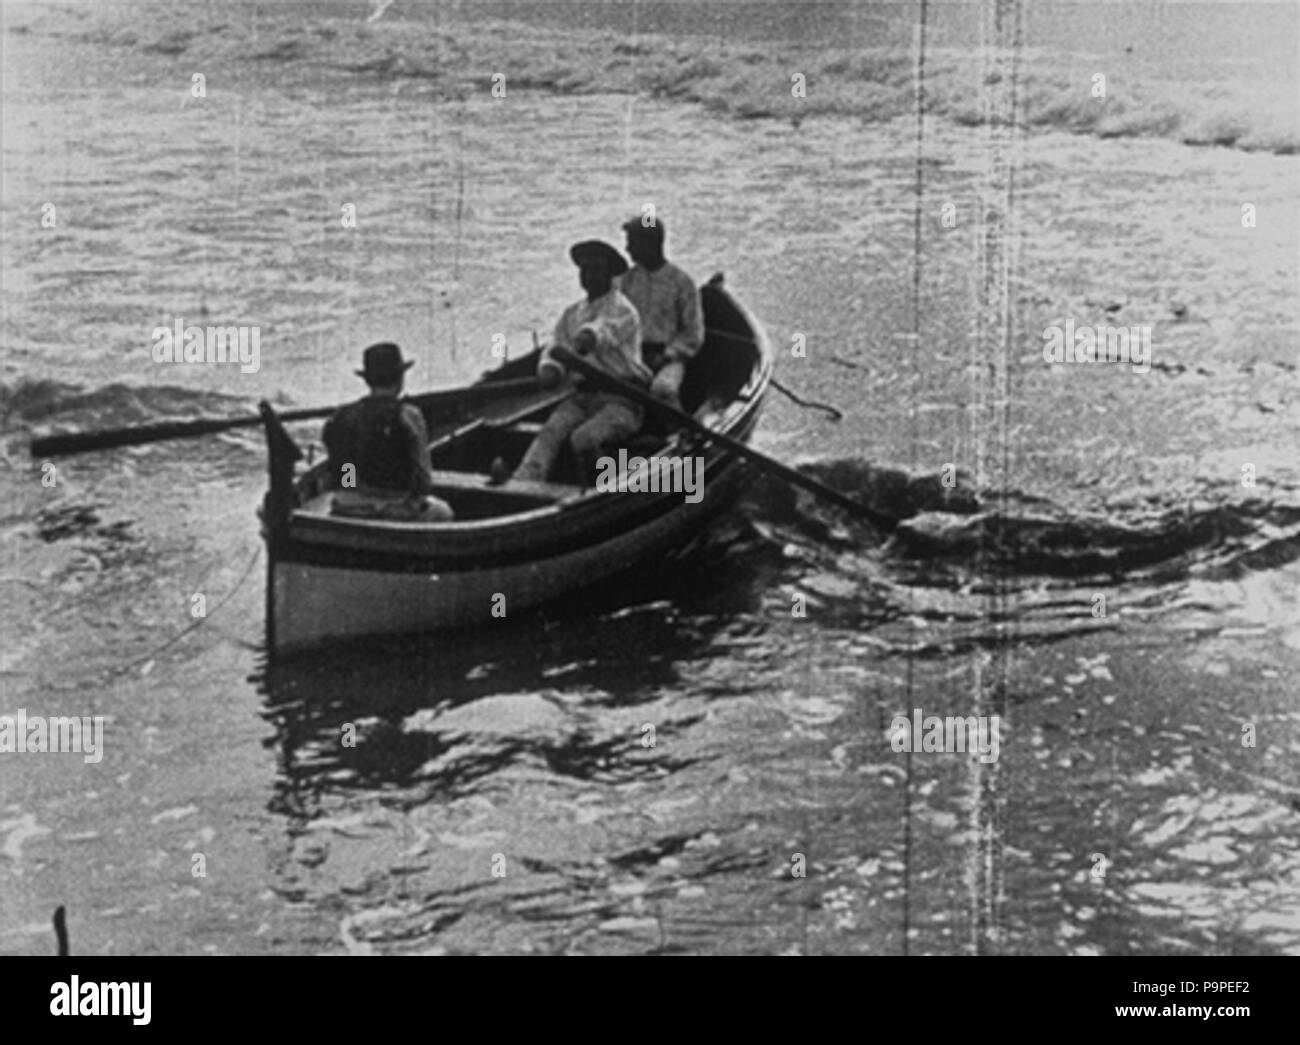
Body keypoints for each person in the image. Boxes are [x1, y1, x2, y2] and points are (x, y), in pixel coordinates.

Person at [505, 240, 647, 483]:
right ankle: (523, 483)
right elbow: (555, 347)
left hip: (623, 401)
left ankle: (594, 491)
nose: (590, 276)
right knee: (548, 434)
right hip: (581, 398)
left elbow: (599, 332)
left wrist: (584, 340)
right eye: (585, 270)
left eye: (597, 269)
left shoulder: (623, 309)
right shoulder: (571, 314)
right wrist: (550, 368)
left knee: (584, 439)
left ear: (610, 274)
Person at [322, 342, 454, 521]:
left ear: (368, 380)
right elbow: (423, 480)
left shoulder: (343, 416)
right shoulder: (409, 415)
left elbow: (345, 466)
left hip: (348, 503)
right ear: (400, 379)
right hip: (393, 507)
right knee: (443, 512)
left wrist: (355, 489)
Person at [619, 216, 704, 410]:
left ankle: (679, 431)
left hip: (668, 359)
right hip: (633, 357)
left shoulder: (681, 283)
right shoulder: (626, 281)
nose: (627, 249)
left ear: (650, 244)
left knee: (663, 389)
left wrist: (667, 355)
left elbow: (693, 334)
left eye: (632, 243)